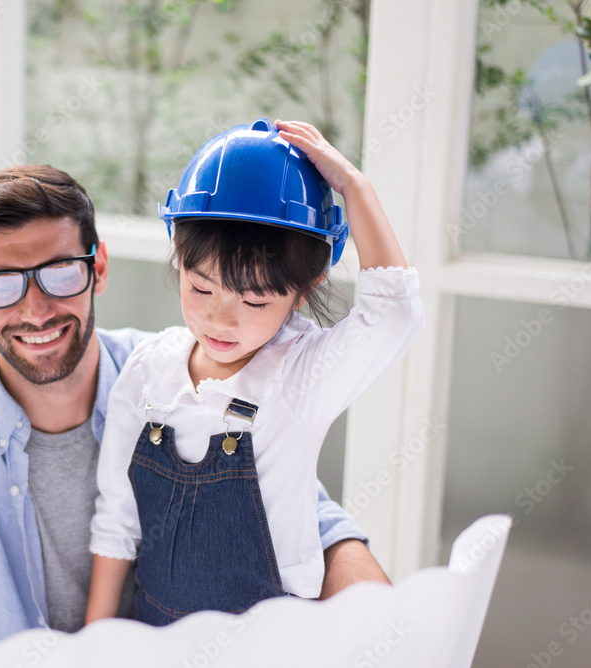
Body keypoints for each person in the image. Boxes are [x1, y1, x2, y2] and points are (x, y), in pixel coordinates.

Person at [0, 161, 392, 645]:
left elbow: (307, 518)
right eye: (2, 283)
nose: (36, 309)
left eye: (60, 272)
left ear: (98, 267)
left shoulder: (172, 379)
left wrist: (383, 628)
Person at [84, 120, 424, 626]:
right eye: (201, 289)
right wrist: (94, 642)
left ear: (306, 287)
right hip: (159, 637)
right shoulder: (147, 369)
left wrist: (354, 186)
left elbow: (394, 315)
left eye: (255, 301)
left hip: (269, 642)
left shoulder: (301, 377)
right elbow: (117, 521)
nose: (220, 320)